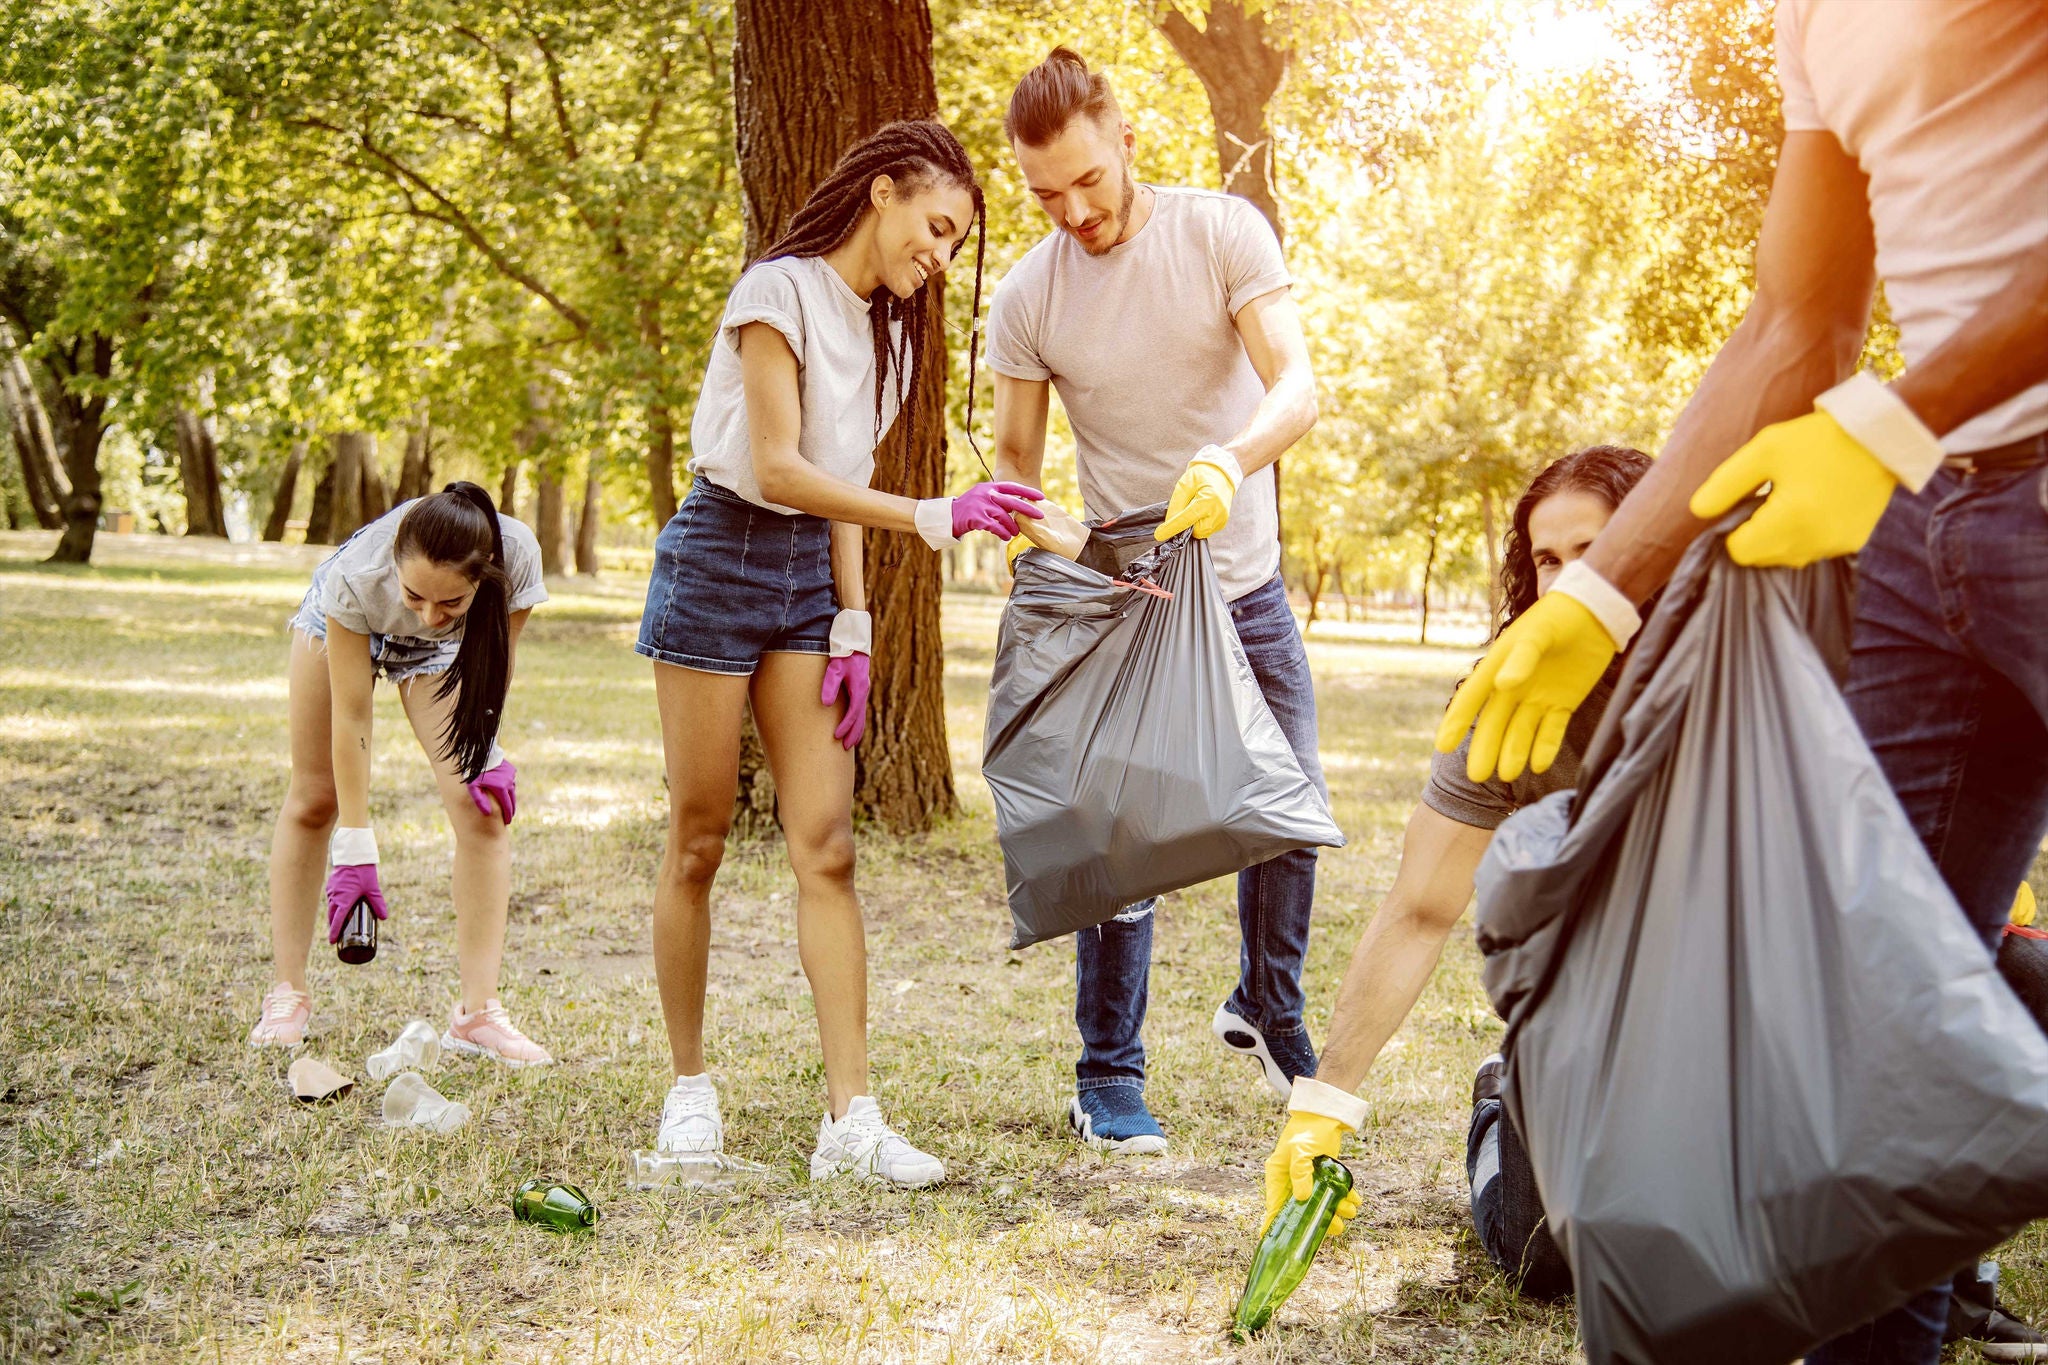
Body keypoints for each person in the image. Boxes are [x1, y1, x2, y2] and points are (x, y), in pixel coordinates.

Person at [1431, 4, 2048, 1359]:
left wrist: (1896, 416)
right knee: (1853, 1072)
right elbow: (1796, 318)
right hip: (1933, 512)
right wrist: (1599, 591)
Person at [638, 120, 1041, 1188]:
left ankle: (849, 1122)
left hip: (809, 585)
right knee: (700, 836)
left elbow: (836, 489)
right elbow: (775, 467)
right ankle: (688, 1095)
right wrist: (937, 514)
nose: (940, 256)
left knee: (827, 846)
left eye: (957, 242)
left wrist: (851, 623)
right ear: (880, 193)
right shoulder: (774, 293)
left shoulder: (890, 335)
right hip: (718, 554)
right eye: (936, 227)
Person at [987, 48, 1325, 1154]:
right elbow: (1017, 474)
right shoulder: (1028, 294)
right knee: (1119, 849)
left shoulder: (1221, 232)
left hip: (1244, 585)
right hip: (1129, 594)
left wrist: (1228, 463)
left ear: (1127, 140)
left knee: (1291, 815)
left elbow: (1295, 384)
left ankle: (1266, 1004)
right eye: (1045, 193)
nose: (1073, 210)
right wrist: (1068, 549)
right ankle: (1107, 1077)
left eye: (1087, 179)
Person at [1262, 445, 1653, 1287]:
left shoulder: (1742, 664)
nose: (1564, 583)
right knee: (1546, 1261)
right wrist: (1322, 1107)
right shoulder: (1506, 700)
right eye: (1548, 560)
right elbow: (1420, 911)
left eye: (1594, 553)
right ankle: (1499, 1102)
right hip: (1589, 1025)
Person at [248, 482, 553, 1066]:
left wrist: (483, 746)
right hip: (342, 624)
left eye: (450, 603)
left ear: (483, 578)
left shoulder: (516, 556)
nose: (429, 615)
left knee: (478, 809)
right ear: (396, 565)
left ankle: (478, 1014)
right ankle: (287, 993)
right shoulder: (357, 574)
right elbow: (352, 713)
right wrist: (357, 846)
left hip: (444, 658)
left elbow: (495, 662)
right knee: (316, 799)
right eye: (416, 595)